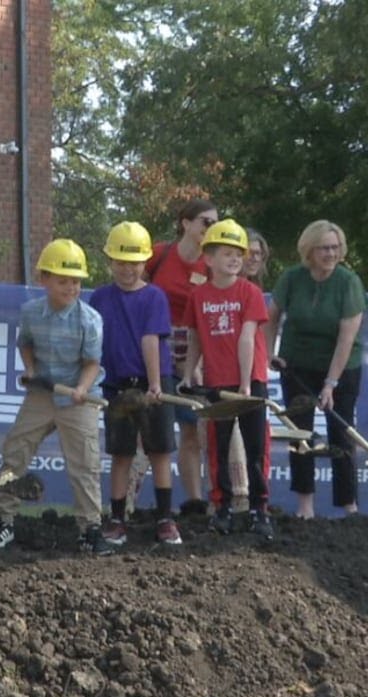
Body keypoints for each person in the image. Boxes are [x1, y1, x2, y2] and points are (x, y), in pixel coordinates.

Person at [0, 239, 104, 553]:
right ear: (45, 280)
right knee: (15, 450)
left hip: (79, 395)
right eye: (63, 281)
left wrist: (81, 389)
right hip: (43, 394)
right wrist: (31, 369)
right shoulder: (31, 312)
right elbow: (25, 343)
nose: (71, 287)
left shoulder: (90, 320)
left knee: (84, 464)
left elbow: (93, 363)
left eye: (76, 281)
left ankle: (89, 528)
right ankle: (4, 521)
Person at [265, 220, 368, 518]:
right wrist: (270, 353)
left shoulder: (349, 282)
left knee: (341, 433)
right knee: (301, 434)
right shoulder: (292, 278)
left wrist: (331, 384)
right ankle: (305, 506)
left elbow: (346, 337)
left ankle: (349, 507)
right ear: (309, 250)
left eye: (335, 247)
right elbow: (271, 317)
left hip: (341, 367)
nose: (331, 253)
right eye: (324, 247)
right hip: (296, 365)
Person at [87, 221, 181, 548]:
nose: (128, 268)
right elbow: (93, 344)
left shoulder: (154, 297)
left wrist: (155, 384)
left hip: (152, 383)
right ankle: (116, 520)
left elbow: (150, 340)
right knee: (121, 453)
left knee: (159, 451)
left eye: (135, 261)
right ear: (109, 260)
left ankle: (166, 519)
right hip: (116, 386)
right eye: (121, 261)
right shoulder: (99, 297)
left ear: (145, 262)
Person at [181, 220, 273, 538]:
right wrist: (191, 369)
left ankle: (259, 509)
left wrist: (246, 383)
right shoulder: (199, 295)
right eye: (226, 253)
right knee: (219, 447)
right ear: (208, 259)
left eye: (239, 254)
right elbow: (194, 335)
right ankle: (220, 508)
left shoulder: (251, 292)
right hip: (217, 383)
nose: (235, 259)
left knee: (255, 447)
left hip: (251, 380)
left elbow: (247, 338)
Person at [144, 199, 218, 515]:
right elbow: (137, 294)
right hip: (154, 343)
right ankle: (126, 505)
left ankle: (195, 502)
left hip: (192, 348)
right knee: (145, 427)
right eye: (205, 222)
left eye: (216, 223)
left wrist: (196, 362)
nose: (210, 229)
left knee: (191, 429)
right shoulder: (158, 254)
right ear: (185, 223)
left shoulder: (212, 263)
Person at [226, 228, 273, 508]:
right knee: (226, 442)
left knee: (257, 440)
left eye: (259, 253)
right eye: (249, 252)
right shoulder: (222, 290)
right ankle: (231, 500)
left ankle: (256, 502)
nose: (254, 258)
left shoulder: (255, 291)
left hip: (255, 372)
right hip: (226, 374)